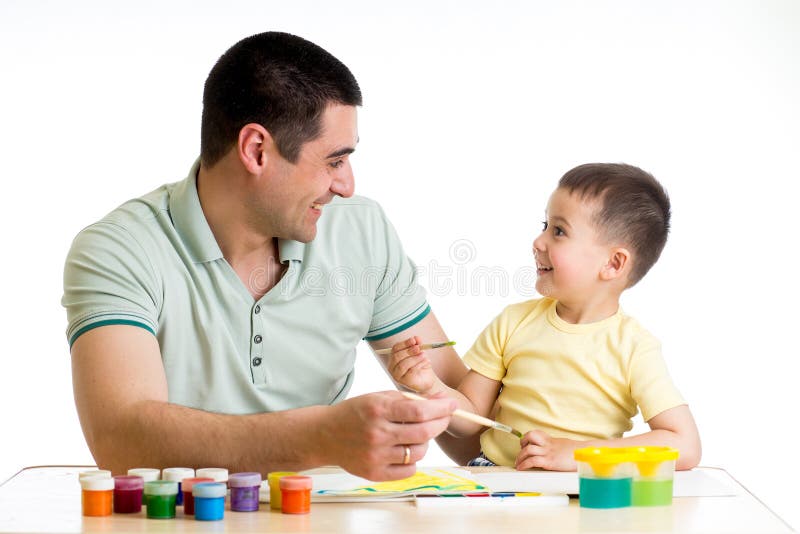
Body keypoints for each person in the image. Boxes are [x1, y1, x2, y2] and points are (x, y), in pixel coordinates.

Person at [62, 31, 478, 481]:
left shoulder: (362, 231)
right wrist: (320, 437)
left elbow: (472, 435)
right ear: (256, 150)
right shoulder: (120, 249)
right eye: (335, 161)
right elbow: (121, 441)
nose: (347, 185)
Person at [388, 163, 701, 471]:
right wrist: (428, 387)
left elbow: (685, 445)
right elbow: (468, 422)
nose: (539, 242)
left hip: (580, 490)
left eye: (559, 231)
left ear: (614, 264)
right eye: (545, 226)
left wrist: (578, 454)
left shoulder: (634, 347)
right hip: (497, 478)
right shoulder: (512, 323)